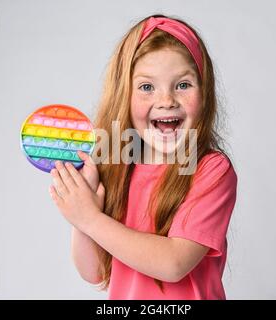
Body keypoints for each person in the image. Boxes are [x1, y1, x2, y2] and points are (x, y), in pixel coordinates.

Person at [49, 14, 238, 300]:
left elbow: (173, 264)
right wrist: (84, 212)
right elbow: (94, 271)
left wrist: (90, 219)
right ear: (124, 95)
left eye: (183, 85)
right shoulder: (117, 167)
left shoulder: (211, 170)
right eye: (147, 87)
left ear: (205, 93)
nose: (166, 100)